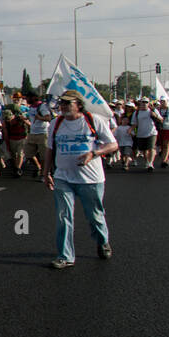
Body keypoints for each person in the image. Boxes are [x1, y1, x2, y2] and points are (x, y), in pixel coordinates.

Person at [42, 89, 117, 268]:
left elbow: (113, 144)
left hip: (90, 179)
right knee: (63, 217)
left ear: (79, 105)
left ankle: (102, 240)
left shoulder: (94, 121)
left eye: (68, 103)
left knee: (95, 216)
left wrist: (94, 153)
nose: (63, 106)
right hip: (63, 177)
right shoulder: (55, 123)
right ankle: (65, 256)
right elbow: (50, 149)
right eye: (62, 103)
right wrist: (46, 173)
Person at [129, 98, 160, 171]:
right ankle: (147, 162)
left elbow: (161, 119)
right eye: (143, 102)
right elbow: (134, 123)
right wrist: (130, 130)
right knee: (144, 150)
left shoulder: (153, 111)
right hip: (141, 133)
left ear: (148, 103)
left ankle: (150, 163)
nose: (144, 104)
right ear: (140, 103)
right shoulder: (136, 113)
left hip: (152, 132)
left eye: (146, 102)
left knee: (151, 148)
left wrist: (155, 116)